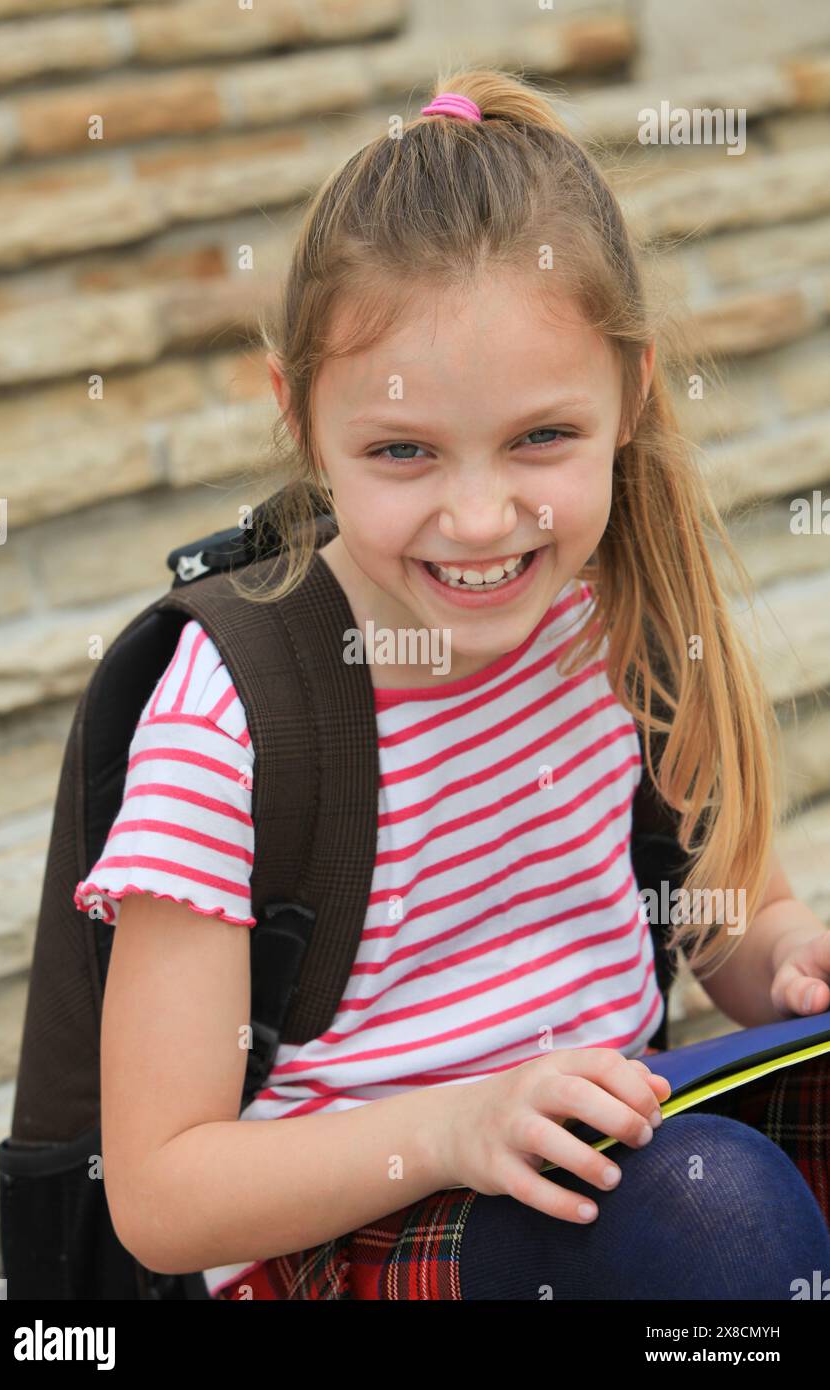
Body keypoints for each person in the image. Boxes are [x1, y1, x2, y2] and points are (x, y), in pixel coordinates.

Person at [74, 69, 830, 1300]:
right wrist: (448, 1125)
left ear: (631, 398)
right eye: (401, 452)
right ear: (300, 418)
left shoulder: (625, 621)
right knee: (715, 1222)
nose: (479, 521)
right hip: (340, 1235)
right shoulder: (231, 717)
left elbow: (727, 930)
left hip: (597, 1182)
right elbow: (160, 1192)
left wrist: (794, 956)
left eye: (540, 437)